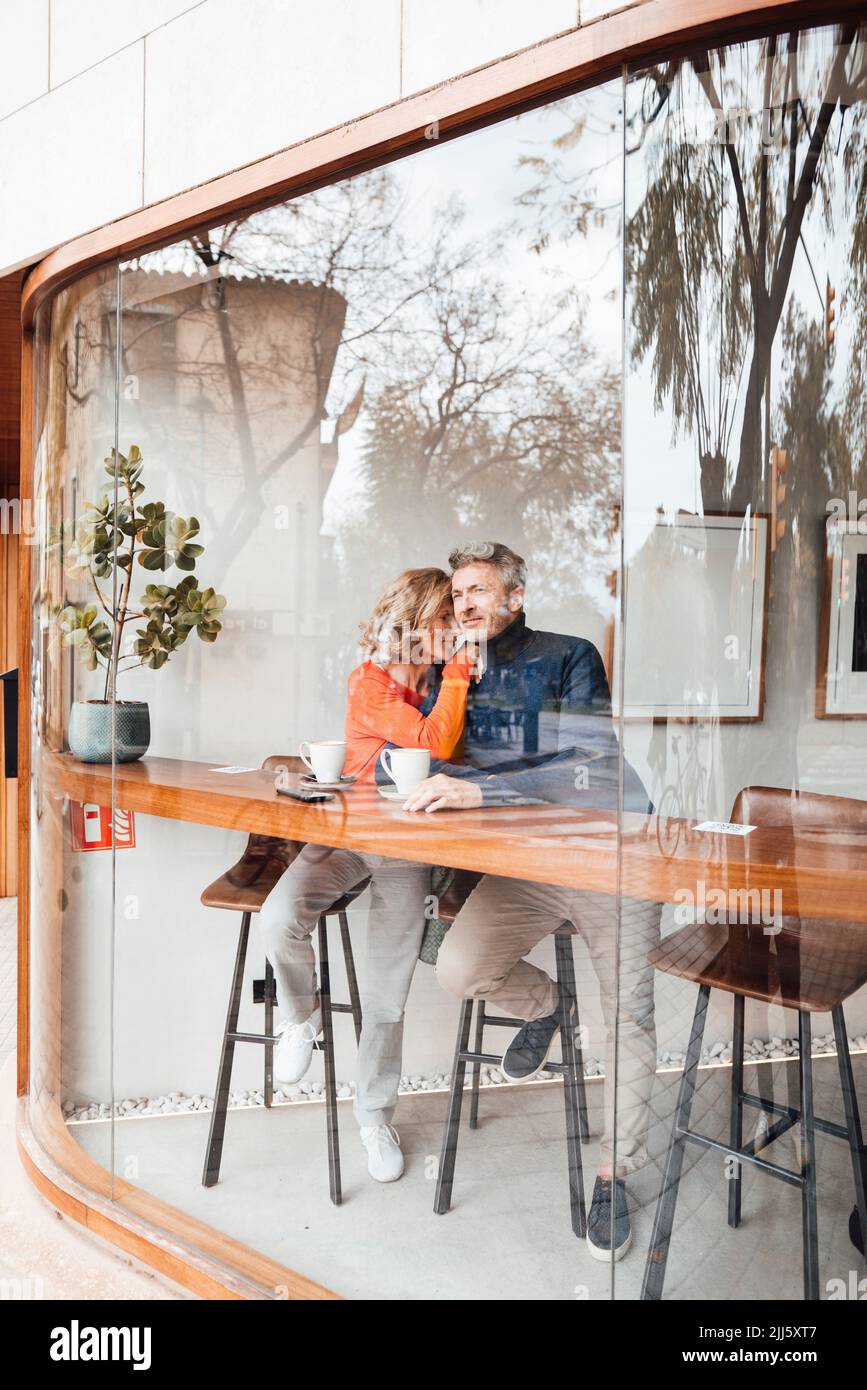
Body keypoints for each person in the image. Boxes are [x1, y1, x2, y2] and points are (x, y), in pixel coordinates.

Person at [401, 541, 661, 1261]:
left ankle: (613, 1172)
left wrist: (476, 790)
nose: (466, 604)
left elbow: (587, 763)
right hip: (528, 863)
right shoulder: (454, 671)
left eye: (480, 590)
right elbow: (432, 756)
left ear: (514, 597)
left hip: (614, 854)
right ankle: (549, 1007)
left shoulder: (568, 653)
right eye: (458, 595)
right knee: (458, 969)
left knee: (629, 1019)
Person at [259, 568, 473, 1182]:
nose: (454, 631)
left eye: (456, 621)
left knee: (386, 997)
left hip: (407, 852)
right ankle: (302, 1016)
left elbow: (458, 752)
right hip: (346, 841)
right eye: (443, 621)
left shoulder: (438, 680)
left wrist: (454, 674)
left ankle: (374, 1117)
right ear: (414, 623)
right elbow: (436, 742)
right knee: (279, 920)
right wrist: (459, 671)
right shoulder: (371, 683)